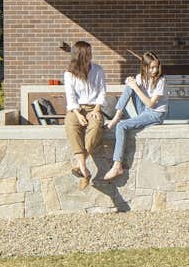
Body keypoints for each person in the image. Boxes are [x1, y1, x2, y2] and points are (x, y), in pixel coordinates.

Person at [102, 51, 166, 181]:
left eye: (156, 67)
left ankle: (117, 164)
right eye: (151, 67)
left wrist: (135, 87)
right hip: (144, 110)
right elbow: (133, 90)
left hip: (156, 114)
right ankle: (116, 117)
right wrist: (131, 83)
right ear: (144, 67)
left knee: (122, 126)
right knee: (130, 84)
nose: (155, 70)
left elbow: (150, 104)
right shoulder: (140, 77)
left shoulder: (161, 80)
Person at [63, 39, 106, 188]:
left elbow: (102, 91)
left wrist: (96, 109)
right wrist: (78, 113)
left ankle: (81, 167)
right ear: (79, 55)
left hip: (94, 107)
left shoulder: (98, 70)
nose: (90, 55)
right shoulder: (69, 74)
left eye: (90, 52)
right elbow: (71, 96)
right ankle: (84, 169)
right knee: (70, 124)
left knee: (95, 126)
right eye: (87, 53)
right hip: (77, 108)